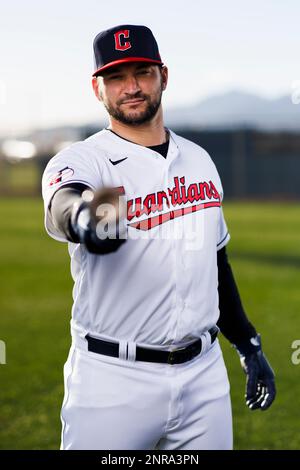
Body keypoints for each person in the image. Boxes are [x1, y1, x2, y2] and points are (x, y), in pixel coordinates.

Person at [41, 24, 276, 450]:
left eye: (142, 73)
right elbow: (66, 200)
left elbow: (216, 265)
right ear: (98, 88)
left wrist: (248, 343)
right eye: (116, 77)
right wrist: (84, 220)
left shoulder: (200, 161)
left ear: (163, 76)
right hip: (112, 379)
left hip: (204, 375)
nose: (131, 87)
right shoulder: (87, 159)